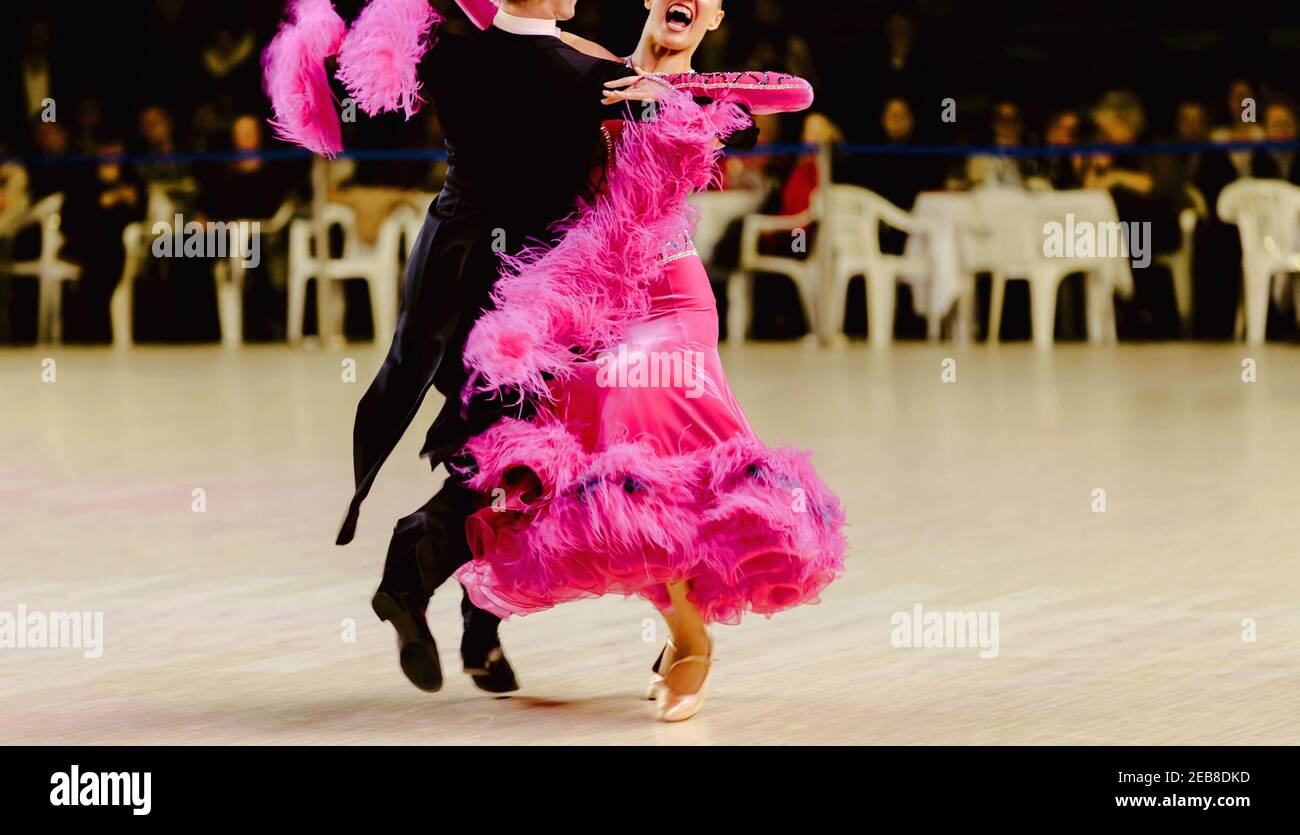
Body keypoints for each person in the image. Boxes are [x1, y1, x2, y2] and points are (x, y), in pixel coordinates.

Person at [453, 0, 845, 723]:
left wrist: (674, 92)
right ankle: (680, 627)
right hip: (599, 300)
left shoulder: (710, 85)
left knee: (654, 433)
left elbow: (798, 93)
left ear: (712, 17)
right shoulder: (593, 69)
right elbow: (500, 24)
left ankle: (693, 640)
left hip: (673, 298)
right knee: (620, 473)